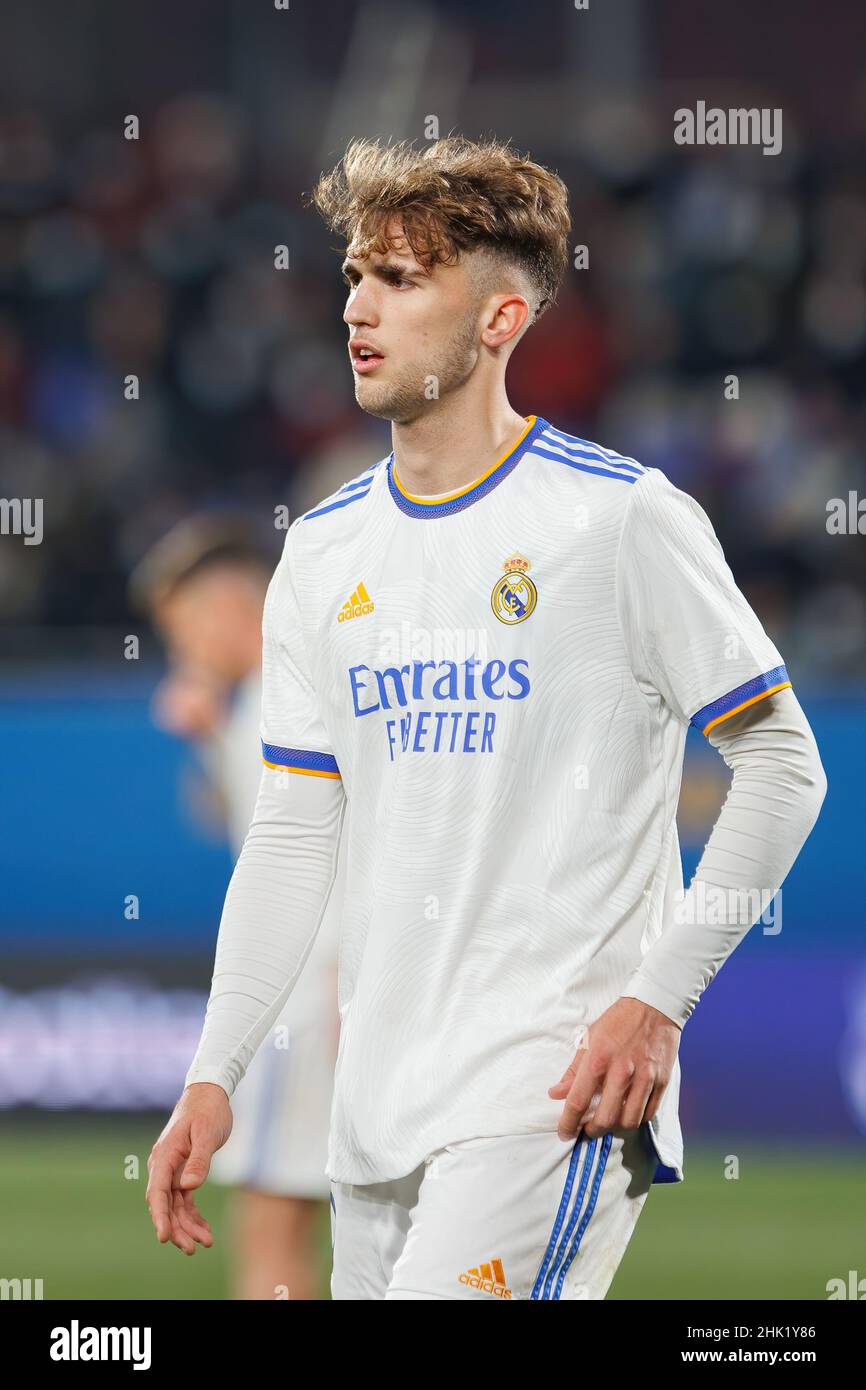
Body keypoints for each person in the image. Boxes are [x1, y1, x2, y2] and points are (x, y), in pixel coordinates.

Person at [146, 136, 827, 1300]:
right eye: (355, 274)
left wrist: (656, 1001)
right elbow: (293, 834)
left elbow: (781, 764)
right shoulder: (320, 552)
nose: (358, 306)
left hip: (547, 1094)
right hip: (373, 1113)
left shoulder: (618, 522)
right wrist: (216, 1065)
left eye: (401, 280)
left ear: (501, 319)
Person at [131, 517, 341, 1299]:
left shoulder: (274, 708)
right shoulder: (274, 702)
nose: (179, 651)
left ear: (227, 609)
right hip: (322, 991)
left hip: (305, 998)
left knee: (271, 1232)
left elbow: (318, 860)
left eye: (181, 628)